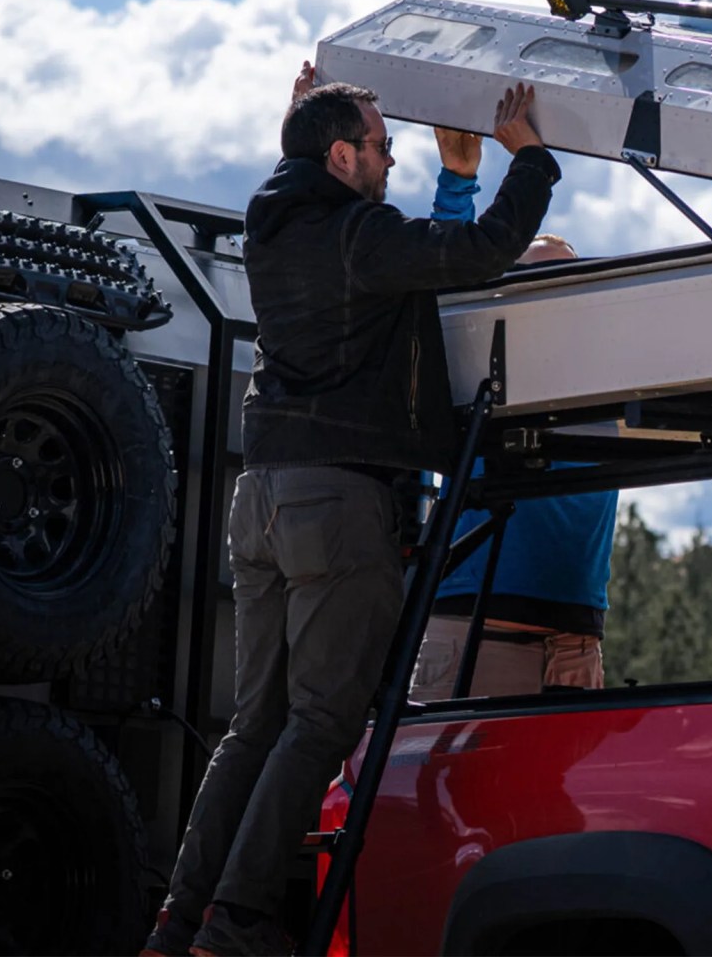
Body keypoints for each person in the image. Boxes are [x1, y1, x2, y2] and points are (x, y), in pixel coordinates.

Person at [145, 79, 559, 957]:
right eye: (378, 144)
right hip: (338, 501)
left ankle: (179, 920)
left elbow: (304, 163)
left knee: (254, 723)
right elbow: (484, 246)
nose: (391, 156)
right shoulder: (360, 237)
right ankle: (238, 922)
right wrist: (529, 156)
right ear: (343, 158)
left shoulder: (271, 222)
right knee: (324, 721)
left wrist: (303, 114)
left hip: (260, 496)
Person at [408, 139, 712, 701]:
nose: (550, 297)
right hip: (476, 630)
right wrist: (457, 179)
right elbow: (450, 273)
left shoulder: (606, 377)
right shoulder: (479, 367)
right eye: (533, 282)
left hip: (574, 646)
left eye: (565, 283)